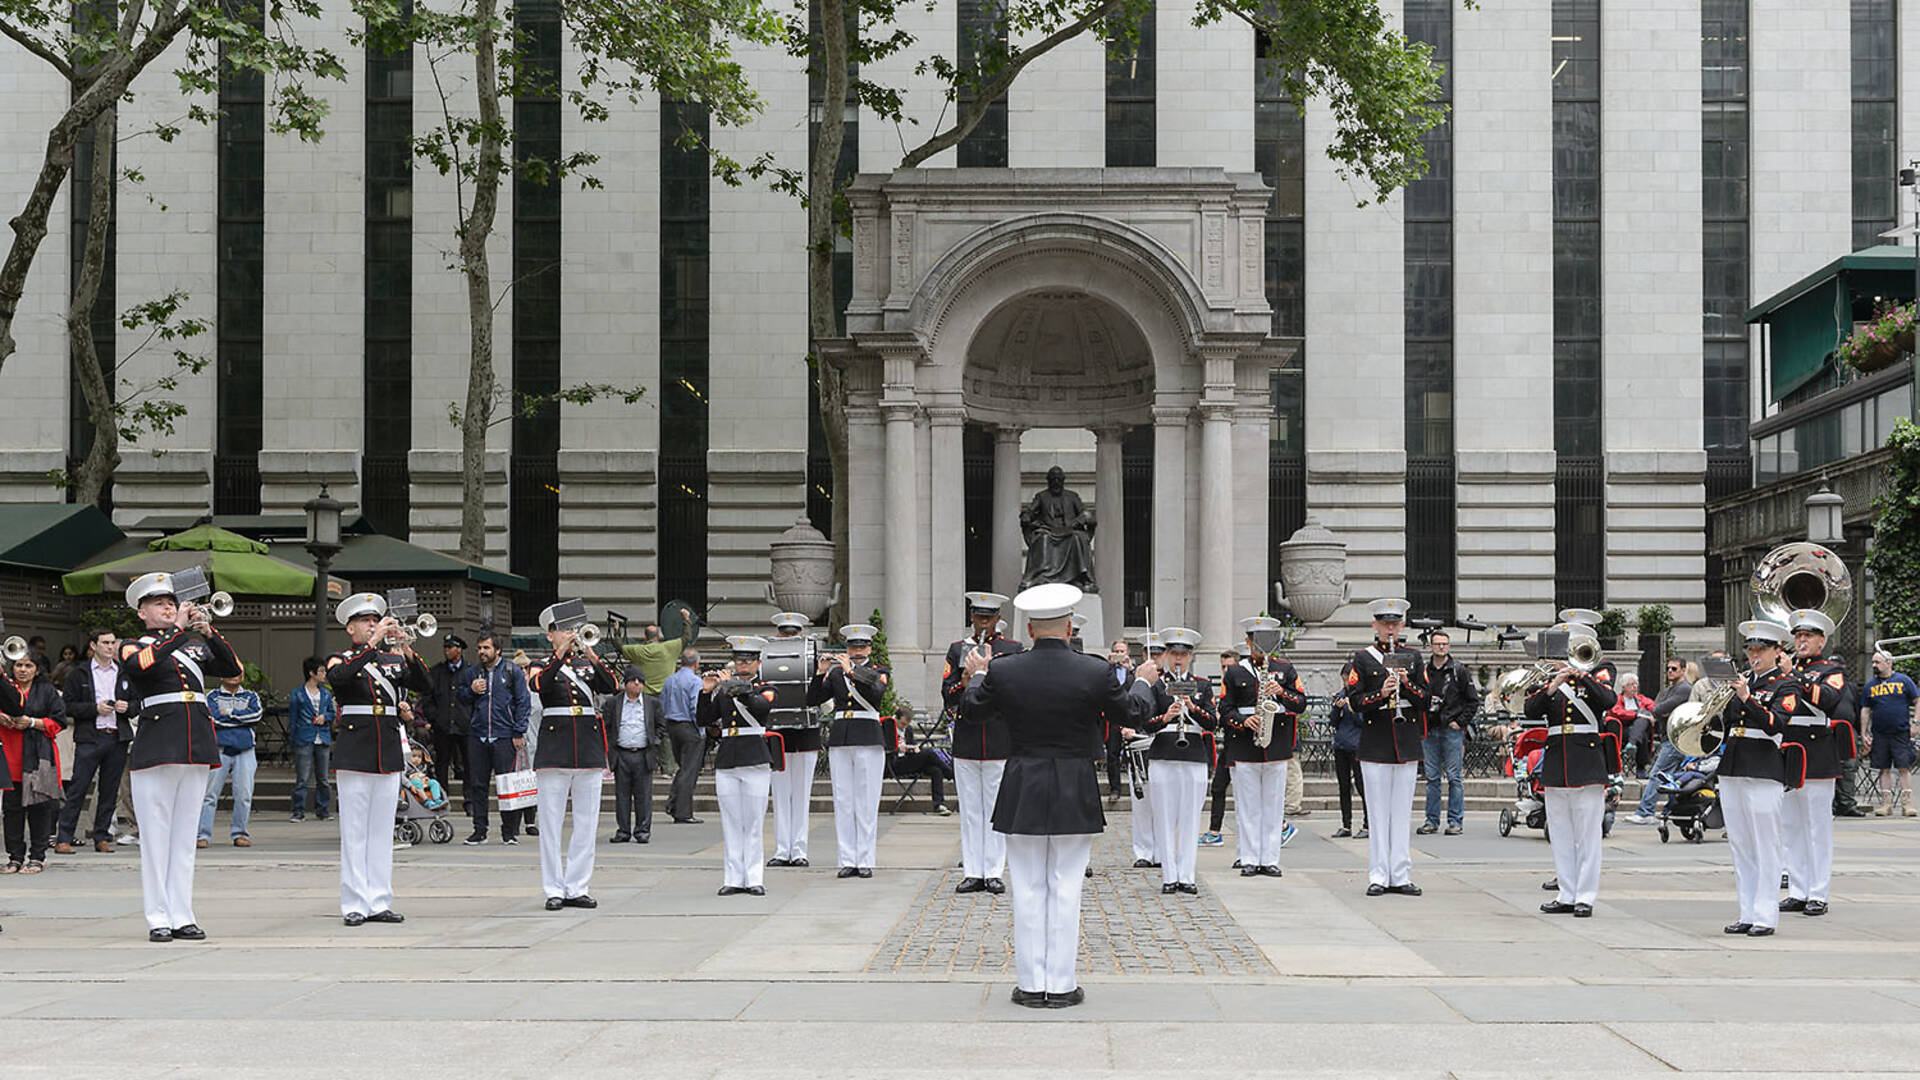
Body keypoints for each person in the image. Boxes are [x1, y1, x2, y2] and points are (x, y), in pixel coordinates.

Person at [961, 582, 1135, 1008]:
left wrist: (978, 674)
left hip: (1022, 780)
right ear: (1070, 625)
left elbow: (973, 710)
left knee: (1026, 885)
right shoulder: (1093, 670)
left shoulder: (1005, 670)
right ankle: (1060, 983)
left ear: (1032, 629)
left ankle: (1030, 982)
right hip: (1074, 783)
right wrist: (1143, 682)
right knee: (1067, 885)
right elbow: (1132, 713)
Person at [118, 571, 242, 941]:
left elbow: (232, 668)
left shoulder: (190, 644)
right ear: (142, 612)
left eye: (171, 602)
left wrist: (207, 630)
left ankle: (181, 912)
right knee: (156, 837)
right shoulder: (132, 644)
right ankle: (158, 916)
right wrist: (180, 631)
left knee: (185, 837)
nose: (168, 607)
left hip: (195, 743)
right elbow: (142, 666)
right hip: (157, 744)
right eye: (159, 603)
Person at [327, 592, 431, 927]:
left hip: (386, 749)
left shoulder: (391, 659)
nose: (373, 625)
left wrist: (406, 649)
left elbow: (425, 685)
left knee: (382, 831)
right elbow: (340, 680)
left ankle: (380, 900)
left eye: (376, 620)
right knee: (355, 831)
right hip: (355, 749)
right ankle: (355, 902)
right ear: (351, 629)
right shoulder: (340, 658)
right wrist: (372, 644)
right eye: (365, 622)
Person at [527, 606, 620, 910]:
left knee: (587, 823)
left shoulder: (585, 664)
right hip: (555, 748)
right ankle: (554, 888)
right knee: (551, 824)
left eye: (573, 629)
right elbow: (539, 686)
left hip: (588, 748)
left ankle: (578, 886)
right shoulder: (540, 663)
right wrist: (560, 653)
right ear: (549, 634)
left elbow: (612, 686)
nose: (570, 634)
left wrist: (592, 655)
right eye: (563, 629)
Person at [1524, 636, 1620, 918]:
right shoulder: (1549, 675)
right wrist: (1554, 683)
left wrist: (1581, 674)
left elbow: (1607, 700)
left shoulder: (1601, 668)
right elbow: (1530, 709)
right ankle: (1566, 892)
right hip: (1556, 761)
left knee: (1588, 835)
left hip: (1587, 760)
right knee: (1561, 833)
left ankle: (1585, 896)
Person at [942, 591, 1022, 895]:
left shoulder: (1011, 650)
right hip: (967, 737)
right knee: (971, 809)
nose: (983, 622)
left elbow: (1014, 693)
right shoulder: (957, 649)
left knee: (995, 807)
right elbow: (946, 694)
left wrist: (985, 677)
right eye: (978, 617)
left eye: (989, 618)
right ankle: (973, 870)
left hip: (999, 737)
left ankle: (993, 871)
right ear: (972, 618)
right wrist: (963, 683)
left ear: (998, 619)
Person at [1348, 597, 1428, 897]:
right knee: (1378, 813)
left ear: (1402, 625)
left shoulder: (1413, 657)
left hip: (1405, 742)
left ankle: (1401, 873)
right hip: (1376, 741)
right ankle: (1379, 874)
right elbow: (1356, 701)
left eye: (1394, 623)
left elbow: (1425, 699)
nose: (1390, 629)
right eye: (1385, 624)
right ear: (1375, 626)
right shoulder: (1363, 658)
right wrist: (1381, 693)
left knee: (1402, 812)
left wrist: (1406, 684)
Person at [1720, 620, 1795, 937]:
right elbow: (1725, 724)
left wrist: (1748, 698)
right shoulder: (1743, 681)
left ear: (1777, 652)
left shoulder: (1786, 686)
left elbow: (1775, 723)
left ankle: (1766, 915)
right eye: (1751, 649)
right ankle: (1747, 911)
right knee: (1741, 845)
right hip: (1733, 766)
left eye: (1761, 650)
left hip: (1764, 768)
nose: (1754, 655)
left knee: (1766, 845)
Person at [1778, 608, 1850, 918]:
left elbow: (1828, 700)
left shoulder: (1829, 669)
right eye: (1798, 635)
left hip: (1817, 752)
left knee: (1817, 828)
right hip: (1789, 749)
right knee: (1791, 826)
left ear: (1821, 640)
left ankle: (1818, 893)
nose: (1801, 640)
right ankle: (1798, 889)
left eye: (1807, 635)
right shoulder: (1786, 669)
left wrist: (1793, 675)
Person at [1220, 618, 1306, 877]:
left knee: (1273, 805)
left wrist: (1281, 692)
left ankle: (1269, 858)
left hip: (1277, 745)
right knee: (1247, 806)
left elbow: (1300, 702)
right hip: (1246, 745)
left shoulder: (1285, 668)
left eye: (1267, 643)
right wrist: (1244, 720)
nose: (1261, 649)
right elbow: (1224, 708)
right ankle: (1248, 857)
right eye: (1257, 643)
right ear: (1248, 642)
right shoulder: (1236, 672)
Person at [811, 624, 891, 878]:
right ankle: (847, 859)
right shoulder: (836, 675)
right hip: (842, 736)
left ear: (869, 648)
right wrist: (819, 673)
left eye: (861, 646)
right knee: (844, 801)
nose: (856, 650)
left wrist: (852, 670)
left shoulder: (879, 670)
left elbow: (877, 691)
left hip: (867, 735)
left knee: (866, 802)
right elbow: (812, 699)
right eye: (852, 647)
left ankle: (865, 859)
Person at [700, 636, 777, 896]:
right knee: (731, 822)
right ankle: (733, 877)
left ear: (758, 663)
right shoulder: (723, 690)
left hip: (755, 758)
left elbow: (760, 707)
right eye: (739, 661)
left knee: (753, 822)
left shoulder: (765, 686)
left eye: (748, 661)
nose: (742, 666)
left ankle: (754, 878)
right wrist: (706, 691)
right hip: (728, 758)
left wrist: (732, 685)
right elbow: (705, 719)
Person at [1144, 627, 1216, 893]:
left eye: (1183, 654)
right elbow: (1145, 722)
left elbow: (1213, 722)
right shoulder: (1157, 685)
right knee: (1163, 817)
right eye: (1173, 653)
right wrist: (1166, 716)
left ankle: (1187, 876)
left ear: (1190, 656)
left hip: (1194, 754)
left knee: (1190, 818)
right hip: (1163, 752)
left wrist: (1192, 707)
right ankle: (1169, 876)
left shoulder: (1202, 685)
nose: (1178, 659)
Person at [56, 626, 131, 854]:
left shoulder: (124, 672)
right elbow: (67, 706)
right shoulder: (80, 673)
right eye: (105, 643)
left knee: (109, 791)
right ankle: (64, 837)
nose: (110, 647)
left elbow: (137, 702)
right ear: (93, 645)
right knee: (78, 788)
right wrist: (94, 709)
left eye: (112, 643)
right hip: (91, 737)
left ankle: (102, 836)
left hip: (117, 737)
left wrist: (127, 707)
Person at [457, 633, 532, 845]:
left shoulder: (512, 671)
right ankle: (479, 830)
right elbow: (461, 698)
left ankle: (509, 832)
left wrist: (518, 731)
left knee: (507, 785)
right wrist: (470, 691)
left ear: (497, 650)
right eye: (479, 648)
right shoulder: (472, 672)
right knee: (478, 785)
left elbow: (523, 702)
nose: (481, 652)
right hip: (478, 736)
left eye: (486, 648)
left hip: (504, 736)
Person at [1, 652, 64, 875]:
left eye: (28, 665)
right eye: (18, 665)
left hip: (39, 757)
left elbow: (59, 721)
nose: (23, 669)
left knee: (40, 809)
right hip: (10, 756)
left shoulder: (47, 691)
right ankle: (14, 857)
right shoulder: (5, 687)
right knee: (11, 809)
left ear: (37, 669)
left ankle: (37, 857)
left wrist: (32, 722)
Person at [1413, 631, 1480, 837]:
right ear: (1431, 646)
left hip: (1451, 730)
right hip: (1430, 729)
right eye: (1437, 644)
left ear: (1449, 646)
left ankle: (1455, 821)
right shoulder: (1423, 670)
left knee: (1454, 778)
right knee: (1432, 778)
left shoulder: (1459, 670)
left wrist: (1460, 722)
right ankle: (1431, 821)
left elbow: (1473, 701)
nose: (1441, 647)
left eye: (1445, 644)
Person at [1629, 659, 1697, 824]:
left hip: (1675, 740)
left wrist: (1661, 712)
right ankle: (1668, 810)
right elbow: (1657, 707)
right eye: (1668, 668)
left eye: (1674, 668)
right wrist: (1661, 712)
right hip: (1670, 739)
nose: (1670, 671)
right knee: (1670, 777)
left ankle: (1645, 812)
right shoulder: (1670, 690)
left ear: (1683, 670)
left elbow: (1658, 709)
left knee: (1657, 774)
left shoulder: (1684, 689)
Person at [198, 673, 262, 848]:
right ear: (221, 676)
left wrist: (229, 713)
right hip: (219, 749)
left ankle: (240, 833)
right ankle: (202, 835)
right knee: (209, 794)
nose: (235, 676)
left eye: (238, 672)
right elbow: (213, 719)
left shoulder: (251, 695)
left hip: (245, 749)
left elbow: (256, 716)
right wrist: (241, 718)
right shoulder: (212, 696)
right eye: (230, 672)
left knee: (244, 794)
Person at [605, 666, 666, 844]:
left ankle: (642, 830)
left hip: (643, 753)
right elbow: (607, 727)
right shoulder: (613, 703)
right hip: (621, 753)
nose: (637, 684)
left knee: (644, 796)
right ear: (626, 683)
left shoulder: (651, 703)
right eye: (633, 680)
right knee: (622, 795)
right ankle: (623, 830)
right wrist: (611, 745)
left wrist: (654, 740)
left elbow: (661, 725)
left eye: (640, 681)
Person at [1860, 650, 1919, 816]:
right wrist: (1864, 732)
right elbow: (1865, 710)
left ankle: (1907, 804)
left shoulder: (1903, 681)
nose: (1874, 666)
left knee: (1903, 767)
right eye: (1872, 662)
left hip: (1901, 732)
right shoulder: (1870, 685)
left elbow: (1917, 700)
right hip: (1880, 733)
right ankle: (1886, 804)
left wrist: (1916, 723)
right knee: (1883, 768)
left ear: (1888, 663)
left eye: (1877, 662)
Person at [420, 635, 473, 809]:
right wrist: (435, 718)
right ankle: (442, 797)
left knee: (468, 764)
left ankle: (469, 801)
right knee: (442, 763)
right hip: (443, 725)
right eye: (446, 647)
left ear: (459, 649)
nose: (447, 650)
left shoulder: (470, 671)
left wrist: (471, 718)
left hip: (464, 725)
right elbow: (427, 697)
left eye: (450, 647)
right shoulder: (436, 671)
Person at [1118, 659, 1160, 868]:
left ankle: (1162, 851)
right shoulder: (1131, 682)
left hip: (1161, 744)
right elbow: (1122, 707)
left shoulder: (1166, 684)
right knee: (1141, 802)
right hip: (1138, 745)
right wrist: (1125, 728)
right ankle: (1143, 851)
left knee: (1163, 804)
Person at [288, 657, 336, 822]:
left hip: (322, 736)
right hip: (304, 736)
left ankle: (322, 810)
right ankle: (298, 810)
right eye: (321, 671)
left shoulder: (326, 693)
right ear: (311, 673)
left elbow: (332, 712)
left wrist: (326, 716)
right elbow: (293, 718)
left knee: (323, 777)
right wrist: (292, 739)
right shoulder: (297, 694)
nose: (324, 674)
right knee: (302, 777)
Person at [660, 647, 705, 824]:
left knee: (683, 767)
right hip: (689, 726)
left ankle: (674, 803)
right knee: (689, 770)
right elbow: (695, 707)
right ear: (696, 663)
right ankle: (683, 812)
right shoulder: (695, 681)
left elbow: (663, 704)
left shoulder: (670, 680)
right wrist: (701, 728)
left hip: (673, 725)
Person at [888, 703, 954, 814]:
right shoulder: (888, 727)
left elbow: (912, 744)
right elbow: (885, 748)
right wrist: (898, 749)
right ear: (897, 718)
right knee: (929, 752)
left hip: (908, 761)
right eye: (902, 724)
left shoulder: (908, 729)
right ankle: (950, 774)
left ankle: (939, 805)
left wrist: (914, 748)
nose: (904, 727)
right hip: (894, 764)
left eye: (907, 724)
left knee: (936, 770)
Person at [1201, 648, 1237, 847]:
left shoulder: (1239, 686)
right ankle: (1215, 831)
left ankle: (1281, 825)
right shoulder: (1226, 686)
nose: (1225, 670)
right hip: (1230, 744)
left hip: (1240, 746)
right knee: (1218, 787)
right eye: (1223, 667)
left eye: (1229, 666)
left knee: (1246, 790)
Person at [619, 604, 698, 694]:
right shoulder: (670, 648)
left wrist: (616, 630)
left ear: (645, 637)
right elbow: (687, 637)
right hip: (666, 694)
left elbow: (619, 646)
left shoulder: (638, 651)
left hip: (646, 696)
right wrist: (686, 619)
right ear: (658, 636)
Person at [1329, 673, 1367, 838]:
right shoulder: (1341, 694)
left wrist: (1353, 709)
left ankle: (1368, 824)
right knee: (1343, 786)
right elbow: (1333, 722)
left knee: (1362, 786)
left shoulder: (1362, 696)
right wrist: (1337, 708)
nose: (1347, 682)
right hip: (1341, 744)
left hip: (1358, 745)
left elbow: (1364, 721)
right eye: (1344, 678)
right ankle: (1346, 824)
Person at [1607, 673, 1654, 775]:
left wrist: (1649, 715)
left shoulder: (1640, 699)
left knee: (1644, 721)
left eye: (1636, 684)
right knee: (1641, 732)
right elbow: (1617, 712)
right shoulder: (1617, 699)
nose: (1634, 687)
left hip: (1637, 729)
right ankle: (1640, 768)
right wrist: (1636, 714)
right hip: (1622, 729)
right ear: (1623, 688)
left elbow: (1653, 707)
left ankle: (1632, 743)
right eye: (1631, 685)